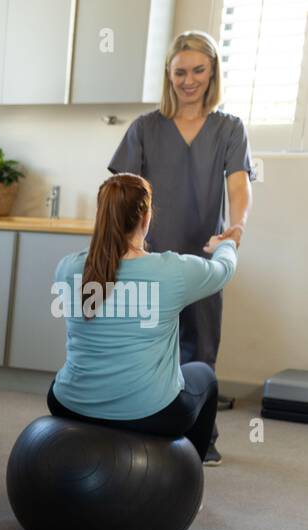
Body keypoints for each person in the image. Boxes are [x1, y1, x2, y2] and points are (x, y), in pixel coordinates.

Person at [108, 30, 254, 465]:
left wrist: (238, 226)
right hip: (147, 259)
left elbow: (239, 185)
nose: (188, 80)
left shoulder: (229, 128)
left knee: (201, 349)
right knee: (148, 345)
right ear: (168, 75)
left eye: (198, 70)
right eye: (179, 72)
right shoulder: (145, 129)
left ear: (212, 72)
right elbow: (122, 191)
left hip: (203, 258)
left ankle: (199, 440)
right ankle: (142, 424)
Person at [47, 173, 237, 463]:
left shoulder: (68, 268)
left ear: (101, 215)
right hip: (151, 413)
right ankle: (197, 469)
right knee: (204, 375)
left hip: (69, 403)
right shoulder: (172, 271)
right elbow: (224, 270)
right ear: (146, 217)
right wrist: (226, 244)